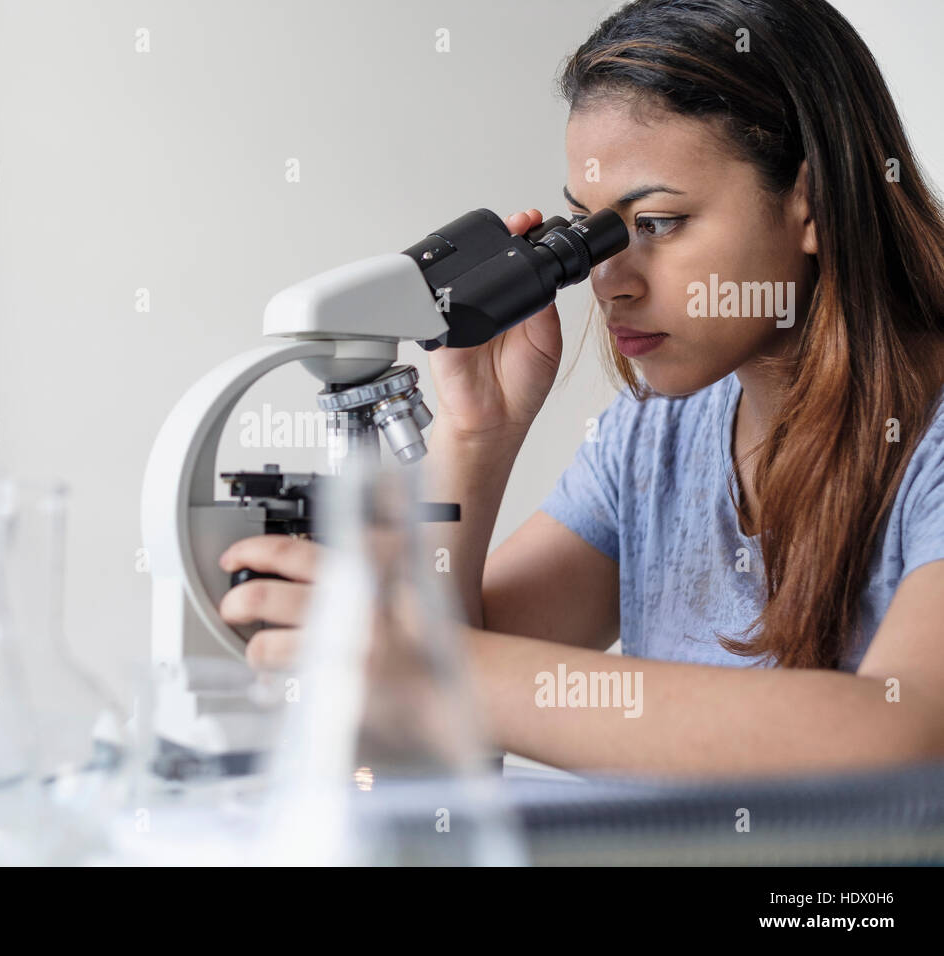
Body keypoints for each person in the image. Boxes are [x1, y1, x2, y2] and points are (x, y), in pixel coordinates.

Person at [216, 0, 944, 776]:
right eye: (589, 231)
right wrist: (477, 432)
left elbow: (907, 733)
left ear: (814, 205)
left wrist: (431, 669)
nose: (609, 282)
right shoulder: (656, 435)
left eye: (657, 223)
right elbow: (449, 722)